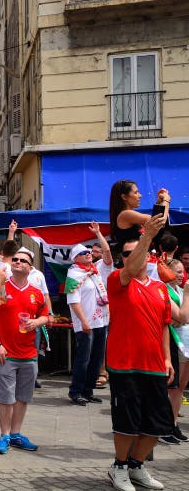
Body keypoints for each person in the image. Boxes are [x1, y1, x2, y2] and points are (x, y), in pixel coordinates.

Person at [105, 214, 179, 491]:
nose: (131, 256)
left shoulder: (161, 288)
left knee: (158, 424)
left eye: (136, 252)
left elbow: (164, 326)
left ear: (148, 257)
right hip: (125, 364)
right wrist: (147, 235)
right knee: (126, 422)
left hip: (155, 364)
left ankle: (136, 466)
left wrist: (168, 358)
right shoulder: (118, 280)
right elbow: (128, 268)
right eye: (126, 253)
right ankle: (119, 467)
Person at [0, 247, 48, 454]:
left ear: (30, 268)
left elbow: (47, 316)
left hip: (29, 354)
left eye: (23, 260)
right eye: (16, 259)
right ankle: (4, 435)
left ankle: (16, 434)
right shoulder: (1, 288)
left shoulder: (36, 293)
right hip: (6, 352)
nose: (18, 262)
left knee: (22, 397)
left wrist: (37, 321)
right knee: (5, 397)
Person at [65, 222, 114, 406]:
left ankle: (88, 390)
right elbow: (74, 302)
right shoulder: (74, 275)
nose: (88, 254)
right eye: (83, 253)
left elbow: (107, 254)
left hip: (101, 321)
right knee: (83, 360)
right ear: (75, 258)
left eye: (89, 252)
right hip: (85, 324)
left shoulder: (96, 270)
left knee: (96, 359)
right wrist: (84, 322)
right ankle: (75, 391)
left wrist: (99, 234)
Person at [163, 258, 189, 444]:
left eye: (182, 271)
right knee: (173, 385)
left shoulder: (179, 290)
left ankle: (173, 424)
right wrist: (187, 296)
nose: (181, 275)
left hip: (185, 341)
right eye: (177, 272)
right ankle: (164, 426)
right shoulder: (165, 290)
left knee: (181, 386)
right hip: (174, 341)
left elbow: (184, 318)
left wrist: (182, 318)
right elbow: (181, 316)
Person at [108, 179, 169, 247]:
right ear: (124, 197)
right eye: (136, 192)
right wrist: (166, 200)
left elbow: (154, 223)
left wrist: (159, 203)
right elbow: (159, 221)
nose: (140, 195)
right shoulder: (125, 214)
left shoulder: (127, 215)